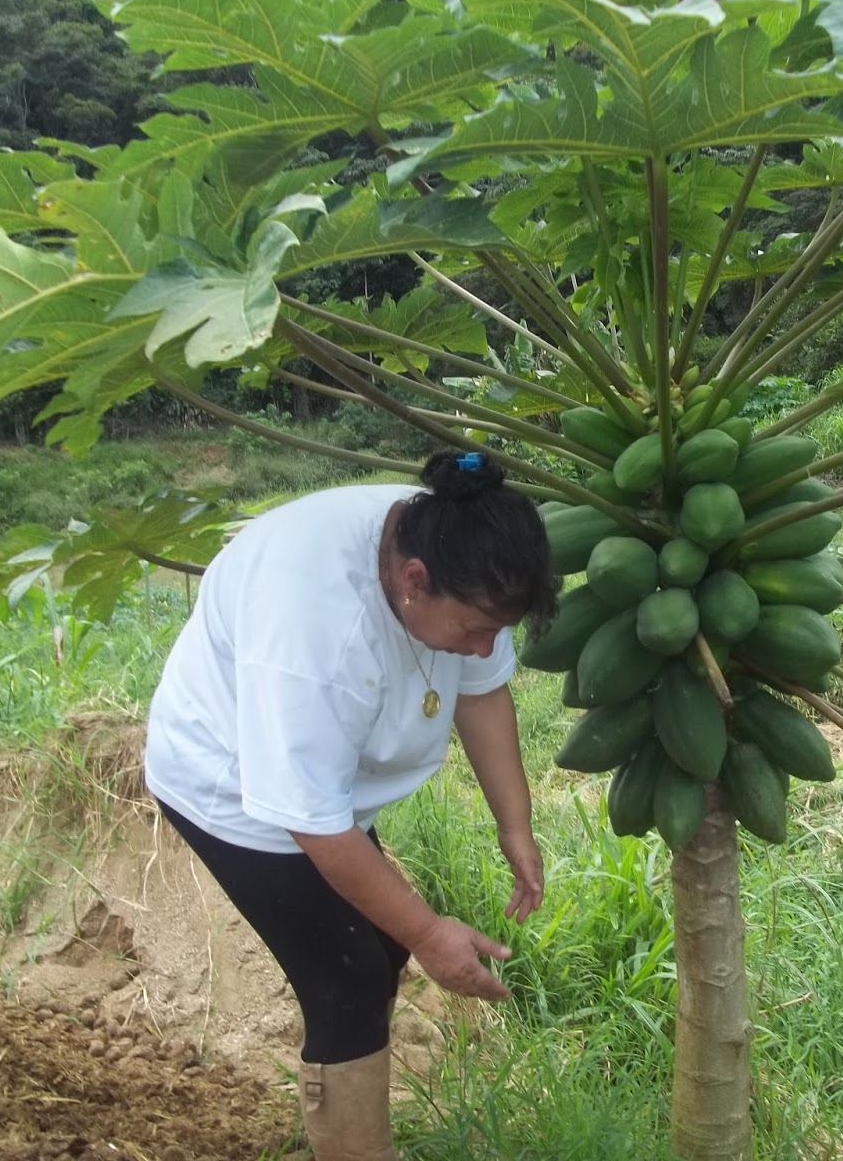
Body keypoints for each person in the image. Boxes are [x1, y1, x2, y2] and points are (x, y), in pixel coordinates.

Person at [143, 449, 558, 1161]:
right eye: (472, 630)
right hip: (234, 786)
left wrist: (514, 824)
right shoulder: (312, 627)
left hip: (331, 775)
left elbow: (483, 691)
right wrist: (433, 936)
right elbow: (315, 821)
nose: (484, 646)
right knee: (349, 977)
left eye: (498, 629)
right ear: (413, 582)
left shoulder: (459, 542)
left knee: (383, 943)